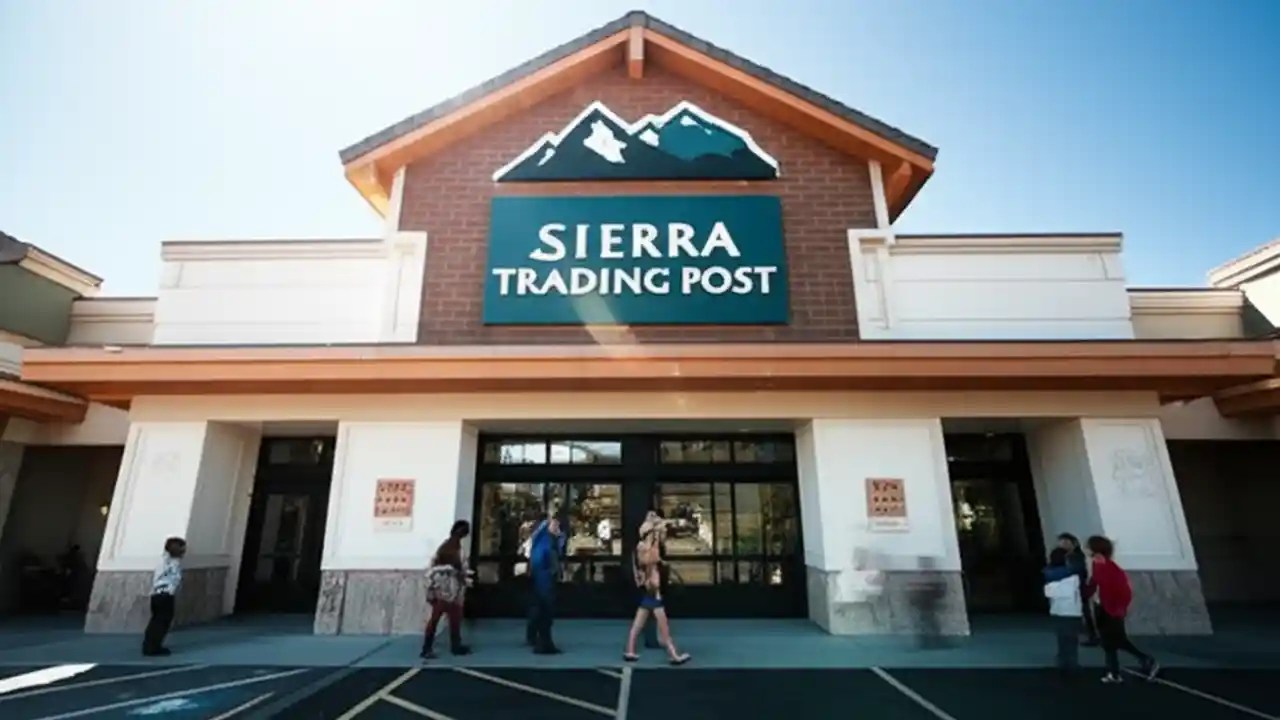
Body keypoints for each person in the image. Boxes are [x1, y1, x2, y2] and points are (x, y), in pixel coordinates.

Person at [1084, 535, 1159, 683]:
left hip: (1110, 608)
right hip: (1104, 606)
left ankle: (1144, 659)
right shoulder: (1099, 564)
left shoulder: (1106, 566)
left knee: (1116, 639)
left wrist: (1115, 606)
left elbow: (1114, 587)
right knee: (1109, 641)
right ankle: (1114, 672)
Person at [623, 511, 690, 665]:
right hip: (652, 590)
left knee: (638, 623)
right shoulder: (645, 547)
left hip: (651, 590)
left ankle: (630, 651)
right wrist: (655, 545)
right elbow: (648, 563)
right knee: (663, 625)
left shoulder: (649, 546)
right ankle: (674, 655)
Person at [421, 520, 472, 659]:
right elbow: (458, 569)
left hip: (443, 589)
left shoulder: (446, 546)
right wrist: (465, 580)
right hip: (449, 590)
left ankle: (429, 647)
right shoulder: (454, 548)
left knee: (441, 618)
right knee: (450, 618)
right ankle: (451, 647)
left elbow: (435, 565)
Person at [1045, 533, 1099, 646]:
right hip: (1068, 587)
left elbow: (1077, 570)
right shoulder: (1060, 555)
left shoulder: (1076, 556)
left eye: (1065, 542)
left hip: (1077, 586)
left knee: (1084, 612)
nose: (1063, 544)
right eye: (1061, 542)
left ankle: (1091, 635)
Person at [142, 537, 186, 657]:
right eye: (181, 548)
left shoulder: (167, 561)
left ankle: (151, 645)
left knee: (158, 621)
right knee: (161, 621)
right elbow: (168, 578)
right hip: (164, 594)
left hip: (159, 594)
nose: (184, 551)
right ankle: (152, 647)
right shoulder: (169, 562)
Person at [528, 516, 564, 654]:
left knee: (543, 612)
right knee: (545, 613)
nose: (557, 530)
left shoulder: (547, 542)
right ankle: (544, 643)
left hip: (545, 580)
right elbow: (540, 562)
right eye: (555, 526)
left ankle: (541, 641)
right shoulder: (545, 543)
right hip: (544, 582)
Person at [1044, 548, 1082, 677]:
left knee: (1062, 640)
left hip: (1058, 610)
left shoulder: (1050, 575)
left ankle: (1063, 664)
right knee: (1071, 641)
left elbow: (1048, 592)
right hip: (1073, 611)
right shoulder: (1074, 576)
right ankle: (1071, 666)